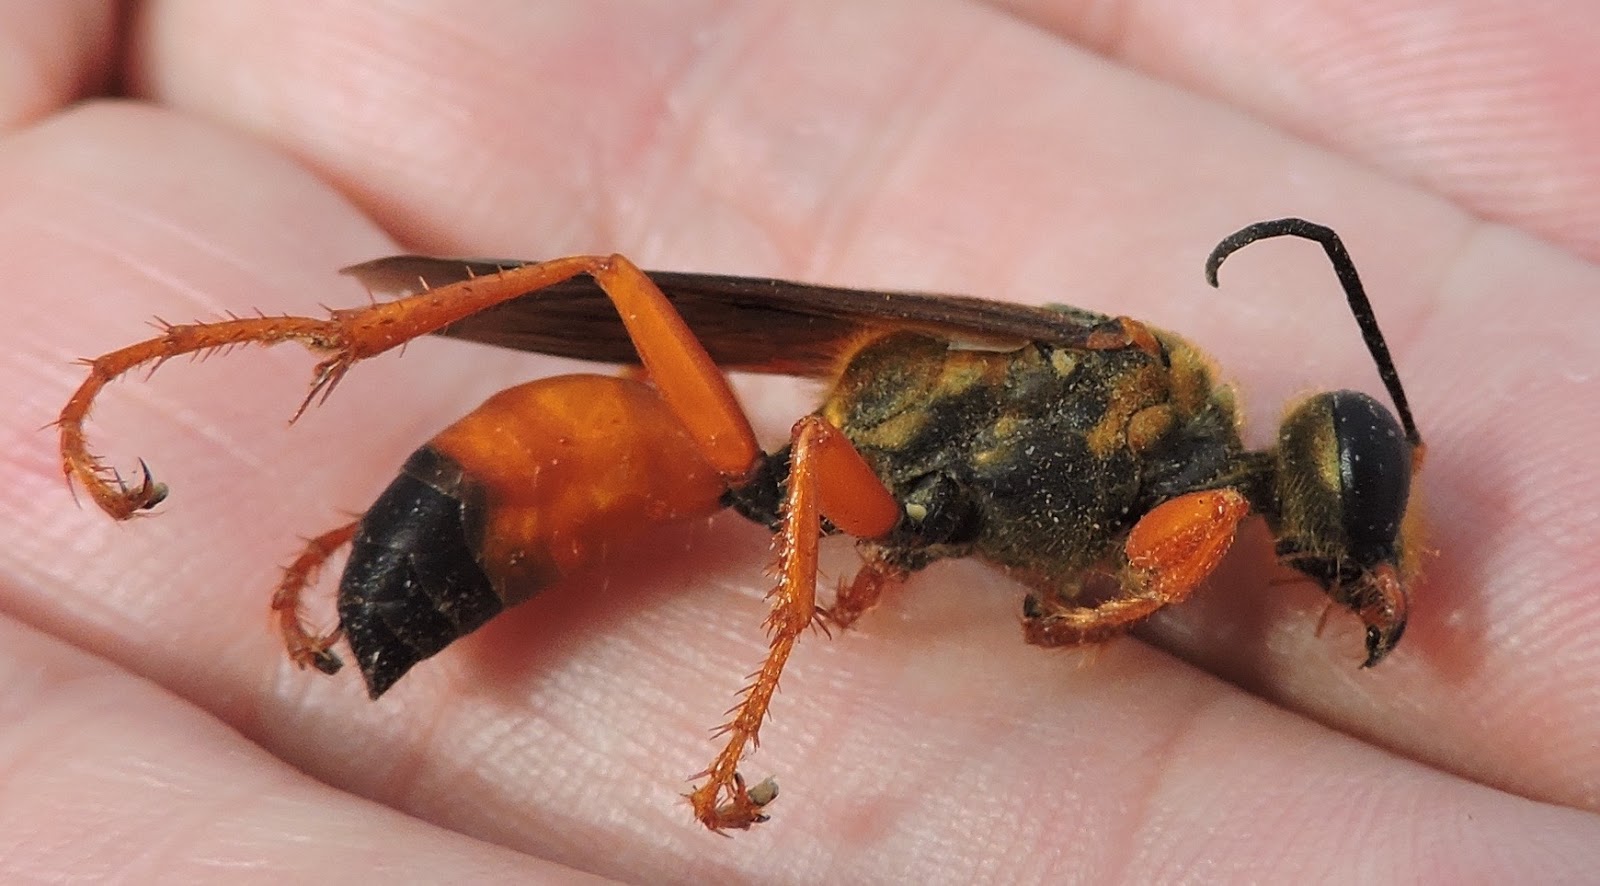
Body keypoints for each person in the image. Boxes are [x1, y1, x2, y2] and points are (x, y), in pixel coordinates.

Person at [4, 2, 1597, 881]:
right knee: (620, 289)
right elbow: (901, 476)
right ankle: (265, 342)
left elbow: (1007, 543)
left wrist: (938, 569)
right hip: (717, 454)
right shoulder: (1144, 409)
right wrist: (822, 625)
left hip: (748, 473)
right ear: (1305, 473)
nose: (1343, 549)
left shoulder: (1178, 492)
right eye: (1352, 515)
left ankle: (333, 508)